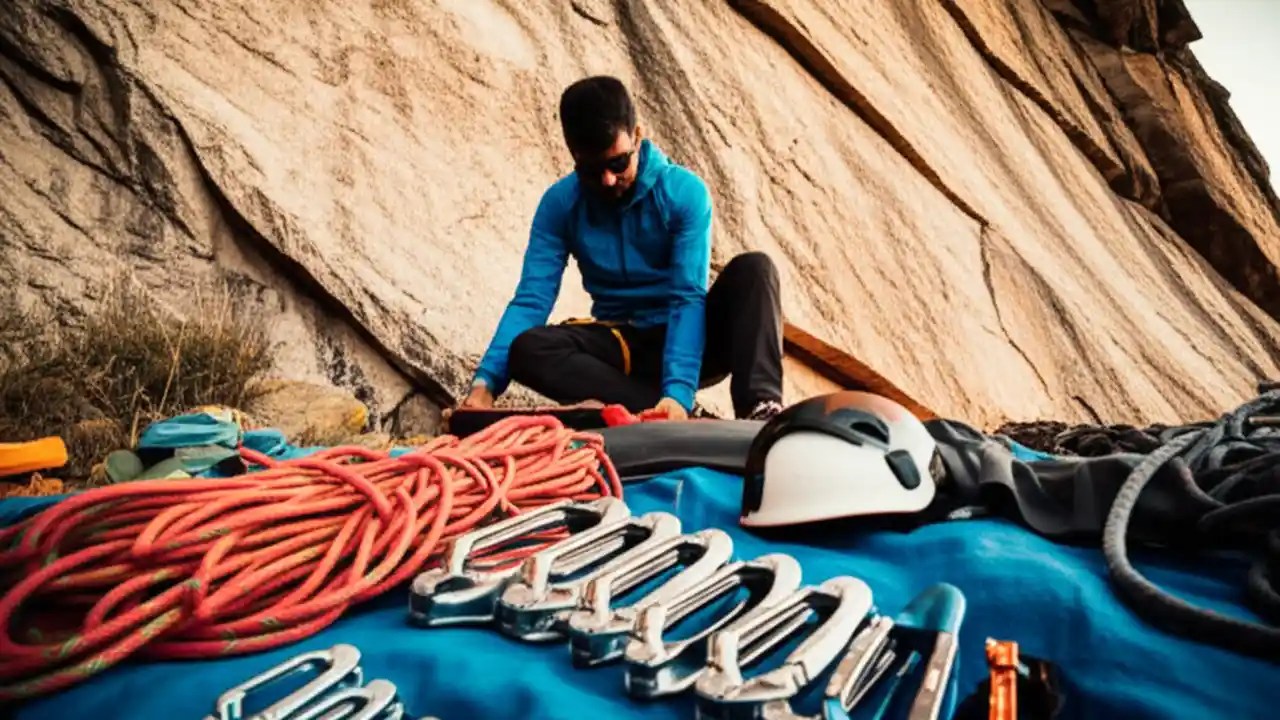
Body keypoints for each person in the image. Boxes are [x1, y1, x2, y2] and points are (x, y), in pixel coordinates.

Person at [460, 75, 785, 421]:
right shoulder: (559, 205)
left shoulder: (683, 192)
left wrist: (678, 392)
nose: (607, 180)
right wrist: (485, 385)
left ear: (638, 136)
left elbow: (687, 297)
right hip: (625, 344)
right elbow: (531, 299)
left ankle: (760, 411)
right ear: (573, 155)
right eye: (591, 170)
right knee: (527, 349)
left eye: (618, 164)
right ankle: (677, 416)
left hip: (695, 336)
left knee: (755, 270)